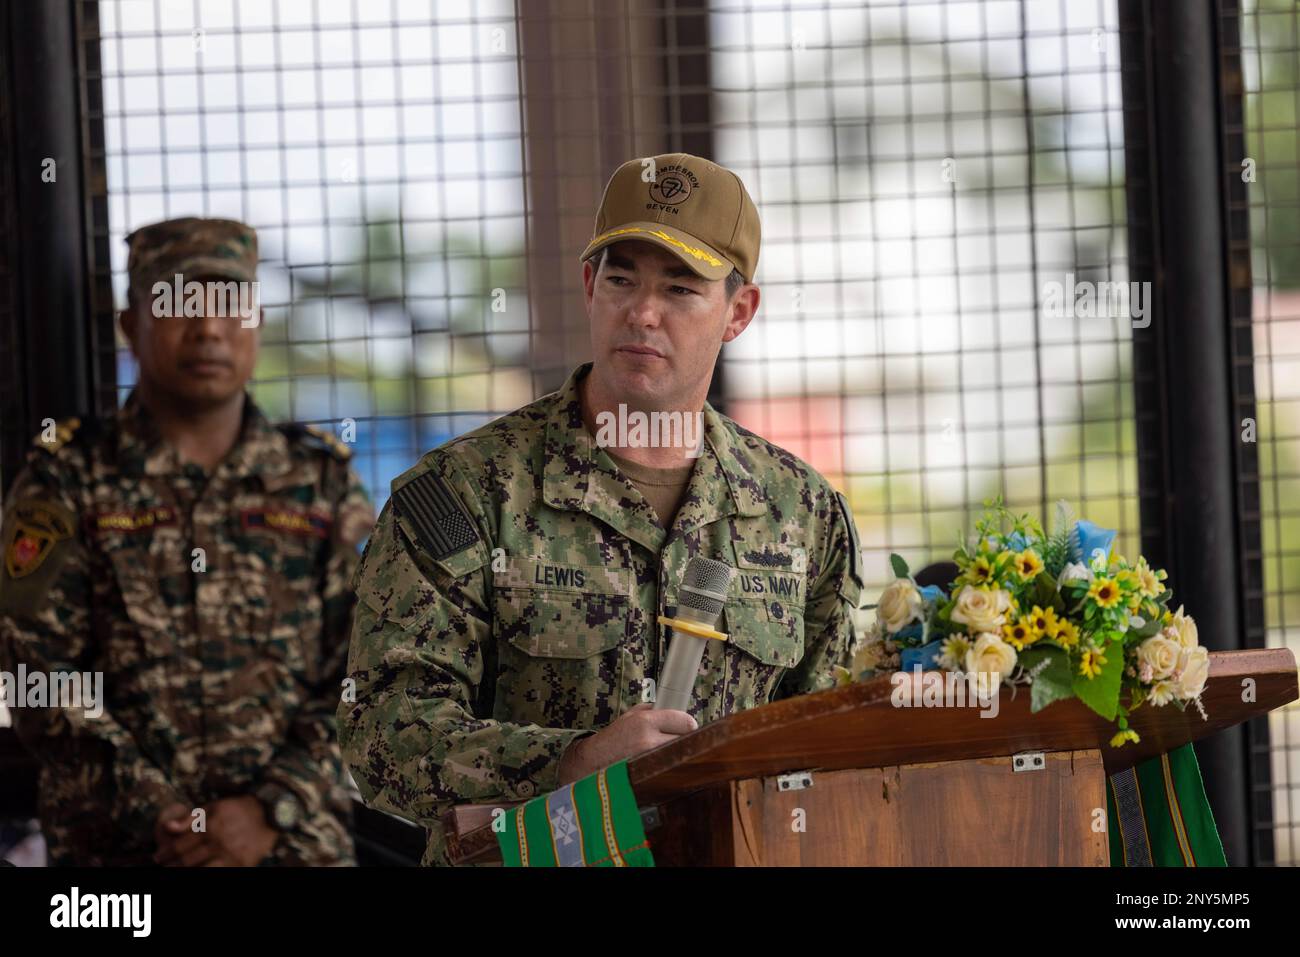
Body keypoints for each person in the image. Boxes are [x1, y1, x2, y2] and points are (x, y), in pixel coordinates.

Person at [339, 153, 866, 865]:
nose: (642, 312)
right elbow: (382, 734)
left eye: (681, 288)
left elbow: (823, 747)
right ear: (590, 284)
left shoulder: (802, 514)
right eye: (622, 279)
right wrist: (572, 763)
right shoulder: (464, 494)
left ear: (738, 312)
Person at [0, 217, 374, 865]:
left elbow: (367, 672)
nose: (207, 328)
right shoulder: (63, 478)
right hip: (118, 855)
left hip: (288, 845)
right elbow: (34, 671)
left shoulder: (321, 482)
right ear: (129, 326)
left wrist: (269, 807)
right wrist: (167, 815)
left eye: (229, 304)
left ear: (254, 323)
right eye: (176, 303)